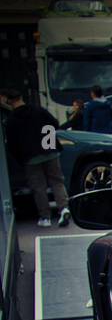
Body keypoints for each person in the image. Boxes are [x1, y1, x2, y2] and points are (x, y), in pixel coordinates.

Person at [1, 88, 70, 227]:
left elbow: (12, 144)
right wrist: (49, 143)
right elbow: (54, 123)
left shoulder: (12, 120)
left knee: (39, 187)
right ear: (21, 97)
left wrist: (21, 158)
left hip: (30, 157)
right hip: (50, 152)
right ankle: (64, 208)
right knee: (57, 181)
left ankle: (45, 217)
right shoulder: (38, 110)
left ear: (9, 100)